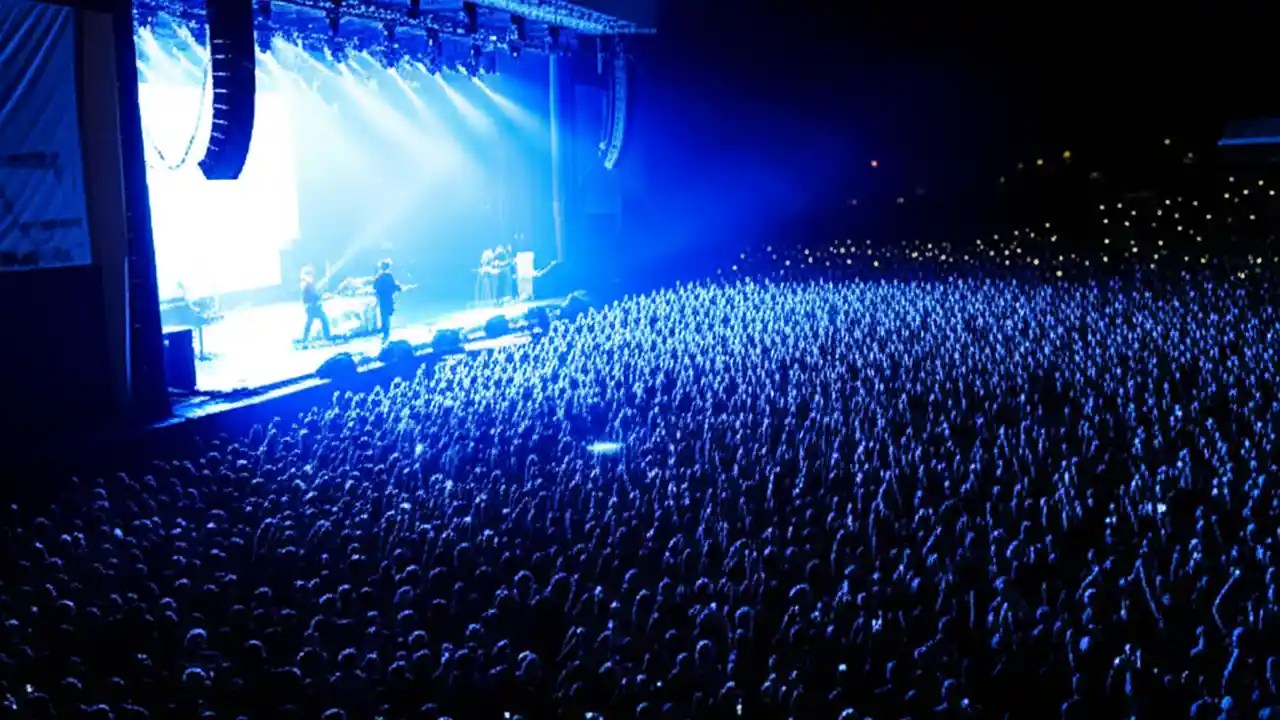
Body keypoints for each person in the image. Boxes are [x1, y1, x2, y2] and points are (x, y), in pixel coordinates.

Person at [372, 258, 403, 343]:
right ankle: (386, 331)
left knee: (384, 314)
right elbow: (393, 286)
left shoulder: (379, 276)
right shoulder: (388, 276)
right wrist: (398, 288)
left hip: (382, 298)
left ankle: (385, 331)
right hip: (388, 297)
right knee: (387, 315)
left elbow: (375, 287)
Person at [300, 265, 330, 345]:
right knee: (323, 320)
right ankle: (327, 337)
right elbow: (312, 294)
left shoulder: (307, 282)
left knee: (310, 322)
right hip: (312, 306)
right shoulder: (306, 283)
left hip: (312, 306)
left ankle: (304, 338)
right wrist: (319, 297)